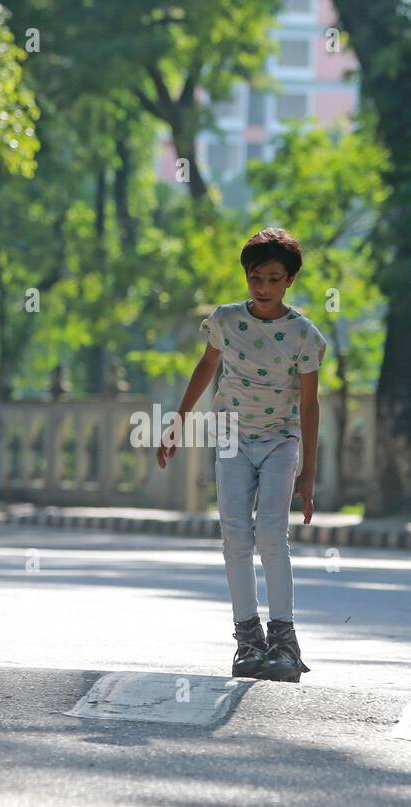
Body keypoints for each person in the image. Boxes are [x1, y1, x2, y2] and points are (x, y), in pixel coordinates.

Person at [157, 227, 328, 682]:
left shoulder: (304, 335)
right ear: (247, 277)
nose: (264, 288)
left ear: (289, 280)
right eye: (257, 278)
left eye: (274, 278)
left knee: (271, 535)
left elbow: (309, 404)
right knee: (235, 537)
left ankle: (284, 640)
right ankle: (247, 638)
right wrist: (179, 420)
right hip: (231, 437)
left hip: (279, 440)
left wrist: (309, 471)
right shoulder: (226, 321)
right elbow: (207, 366)